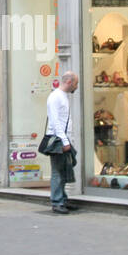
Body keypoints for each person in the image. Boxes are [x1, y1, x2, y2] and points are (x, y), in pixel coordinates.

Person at [45, 72, 80, 215]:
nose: (77, 86)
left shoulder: (62, 96)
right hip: (58, 139)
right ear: (70, 82)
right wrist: (65, 141)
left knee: (65, 169)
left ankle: (62, 199)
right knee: (57, 171)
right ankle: (57, 202)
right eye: (76, 83)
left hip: (63, 138)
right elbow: (55, 121)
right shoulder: (55, 97)